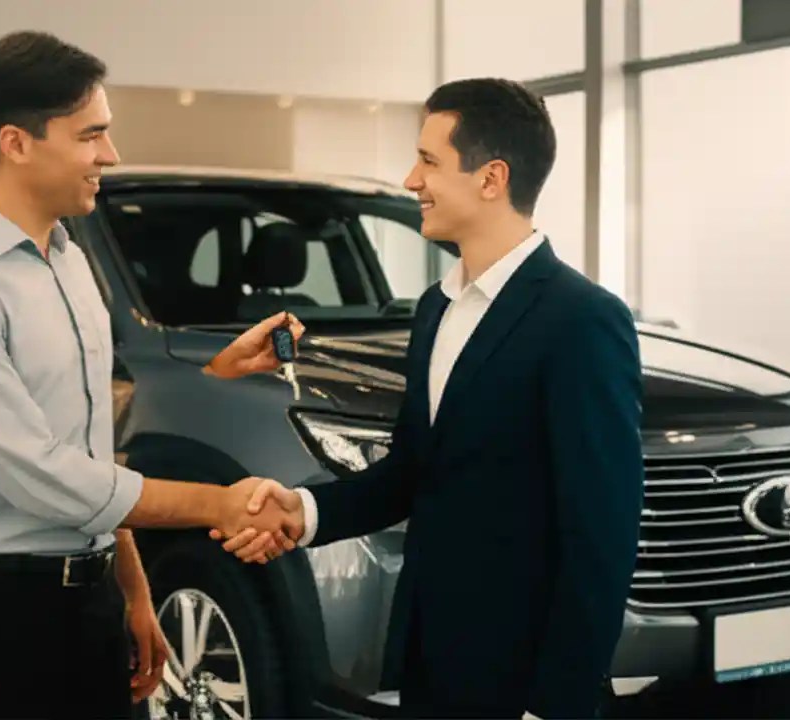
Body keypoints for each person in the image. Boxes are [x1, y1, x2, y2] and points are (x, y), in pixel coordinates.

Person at [0, 31, 300, 720]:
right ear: (15, 142)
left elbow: (88, 451)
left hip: (88, 602)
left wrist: (132, 593)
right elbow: (40, 474)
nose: (111, 154)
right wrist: (219, 504)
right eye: (91, 135)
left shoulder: (69, 261)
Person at [217, 78, 645, 719]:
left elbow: (602, 538)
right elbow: (414, 471)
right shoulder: (435, 308)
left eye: (429, 160)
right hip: (433, 664)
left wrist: (556, 705)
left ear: (491, 178)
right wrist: (301, 512)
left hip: (524, 683)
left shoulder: (583, 319)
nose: (411, 179)